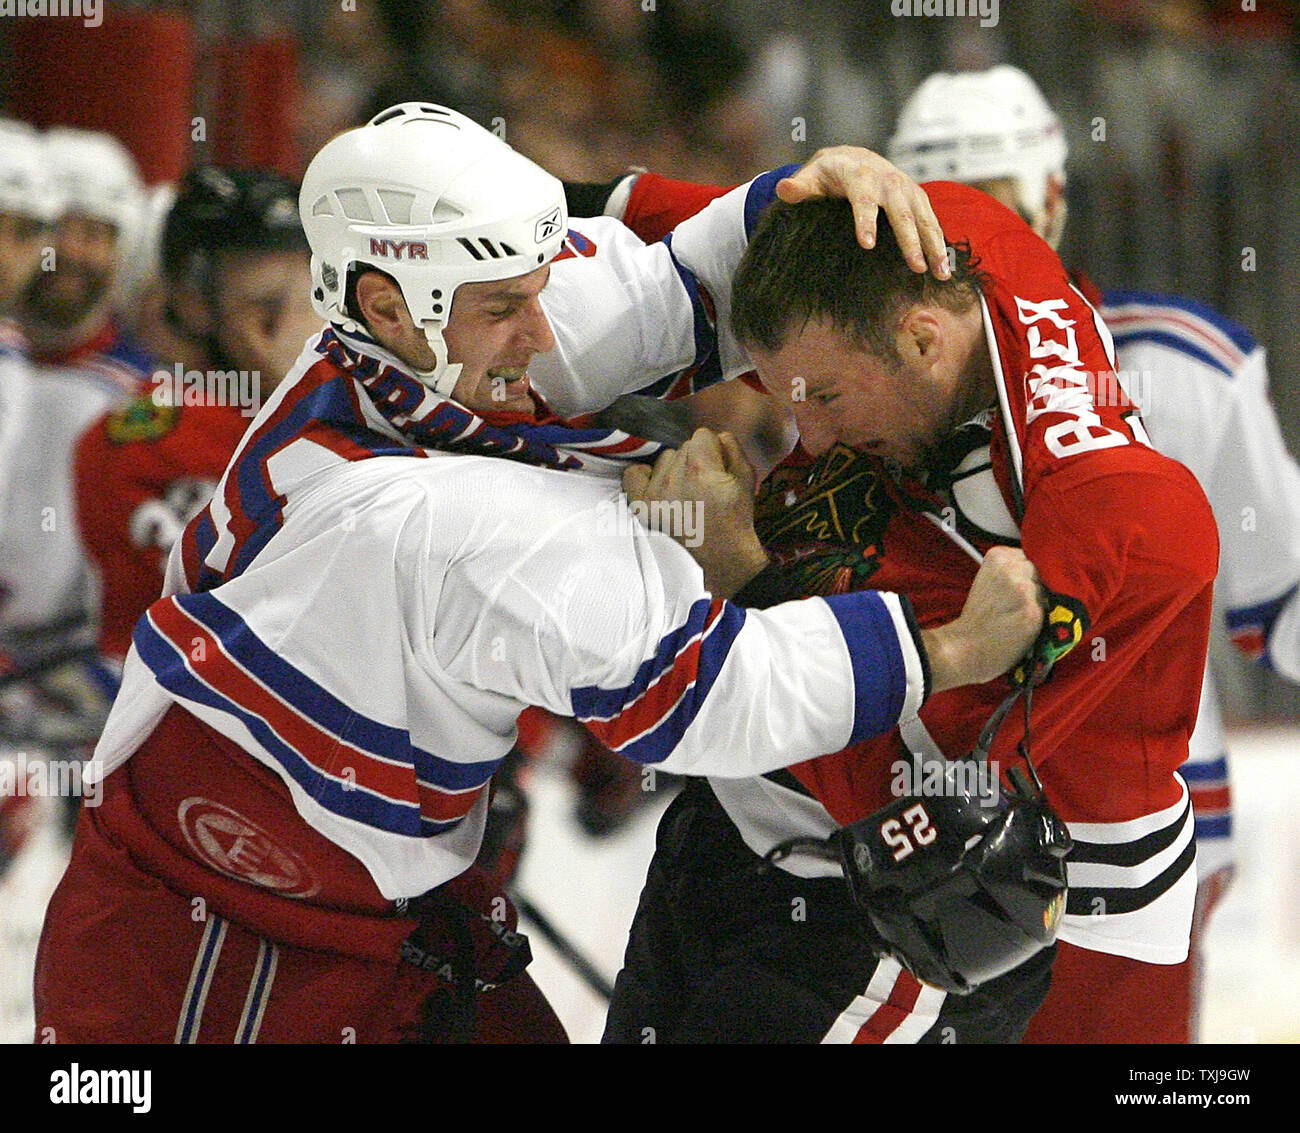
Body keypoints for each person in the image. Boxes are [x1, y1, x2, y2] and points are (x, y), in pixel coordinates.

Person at [33, 105, 1044, 1044]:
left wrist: (803, 203)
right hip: (216, 951)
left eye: (535, 285)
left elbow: (670, 294)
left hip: (353, 895)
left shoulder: (415, 343)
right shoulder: (435, 526)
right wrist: (948, 648)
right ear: (389, 304)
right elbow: (718, 693)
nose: (542, 328)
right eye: (508, 304)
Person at [546, 156, 1218, 1044]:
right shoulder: (932, 239)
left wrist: (739, 570)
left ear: (924, 341)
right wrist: (521, 208)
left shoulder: (1091, 530)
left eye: (825, 395)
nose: (810, 434)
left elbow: (914, 809)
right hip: (745, 829)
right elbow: (700, 233)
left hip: (911, 907)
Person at [885, 64, 1300, 1043]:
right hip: (965, 826)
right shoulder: (859, 387)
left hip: (1045, 828)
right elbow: (1283, 610)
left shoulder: (1190, 364)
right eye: (949, 214)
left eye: (987, 207)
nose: (972, 244)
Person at [74, 165, 319, 666]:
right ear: (191, 301)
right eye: (265, 298)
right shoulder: (144, 441)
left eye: (312, 289)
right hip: (181, 694)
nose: (298, 321)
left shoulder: (359, 409)